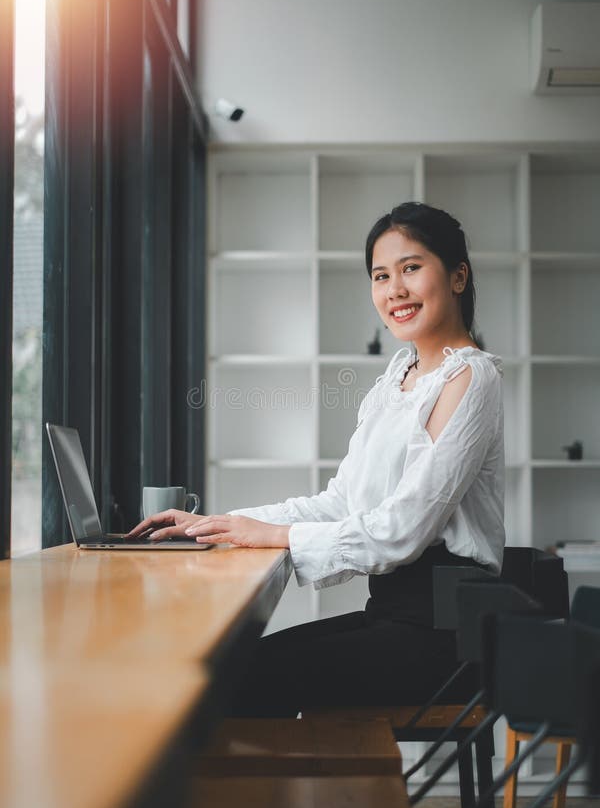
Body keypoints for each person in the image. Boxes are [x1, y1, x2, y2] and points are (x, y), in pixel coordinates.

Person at [129, 201, 505, 716]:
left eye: (411, 268)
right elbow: (341, 501)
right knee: (235, 669)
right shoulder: (395, 381)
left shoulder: (471, 377)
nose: (394, 289)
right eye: (380, 275)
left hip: (445, 638)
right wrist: (219, 525)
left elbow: (404, 530)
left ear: (458, 276)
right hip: (393, 617)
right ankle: (289, 797)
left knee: (244, 681)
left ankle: (296, 798)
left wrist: (274, 535)